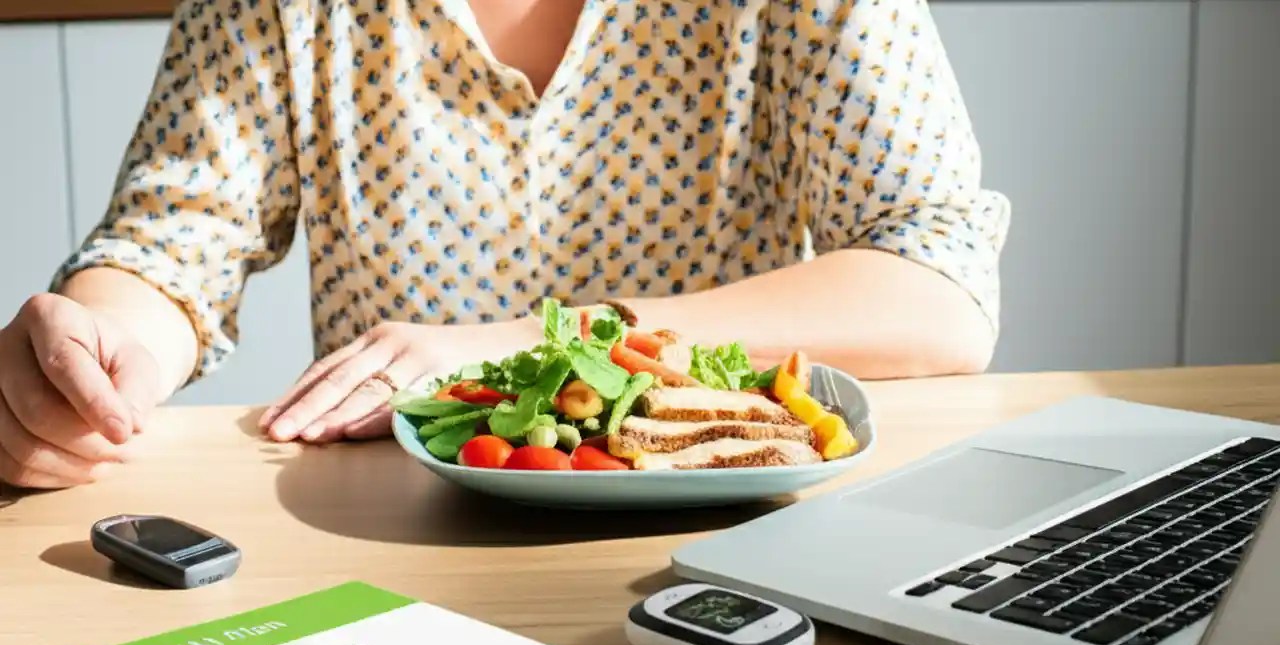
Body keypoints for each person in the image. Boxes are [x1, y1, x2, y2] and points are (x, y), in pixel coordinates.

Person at [0, 0, 1009, 489]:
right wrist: (92, 358)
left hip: (729, 519)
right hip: (399, 540)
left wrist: (542, 345)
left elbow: (939, 286)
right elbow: (172, 242)